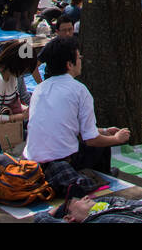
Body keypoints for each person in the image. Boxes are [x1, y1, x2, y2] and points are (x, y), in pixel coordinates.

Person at [25, 38, 133, 198]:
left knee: (101, 136)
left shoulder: (40, 88)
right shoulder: (79, 90)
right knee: (101, 145)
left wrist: (103, 130)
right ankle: (102, 176)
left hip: (33, 162)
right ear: (69, 64)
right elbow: (91, 139)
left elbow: (66, 126)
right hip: (62, 160)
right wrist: (116, 139)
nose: (81, 60)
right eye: (79, 57)